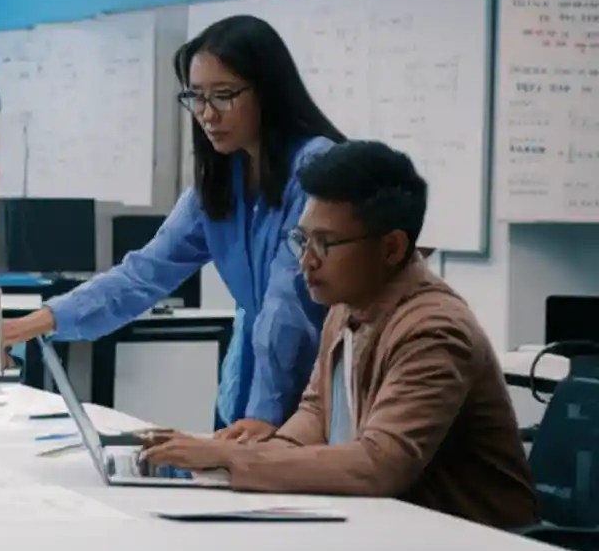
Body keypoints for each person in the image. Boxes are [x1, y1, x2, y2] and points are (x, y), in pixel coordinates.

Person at [140, 140, 539, 529]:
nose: (306, 261)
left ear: (391, 248)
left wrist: (230, 460)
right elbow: (316, 413)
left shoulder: (434, 331)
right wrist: (231, 461)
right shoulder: (346, 305)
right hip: (392, 534)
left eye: (326, 243)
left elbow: (379, 466)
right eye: (302, 239)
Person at [3, 15, 346, 441]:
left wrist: (264, 416)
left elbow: (287, 304)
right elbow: (142, 273)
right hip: (248, 388)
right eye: (196, 97)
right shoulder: (220, 182)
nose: (206, 114)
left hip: (314, 397)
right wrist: (34, 323)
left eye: (223, 96)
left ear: (269, 92)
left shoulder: (314, 167)